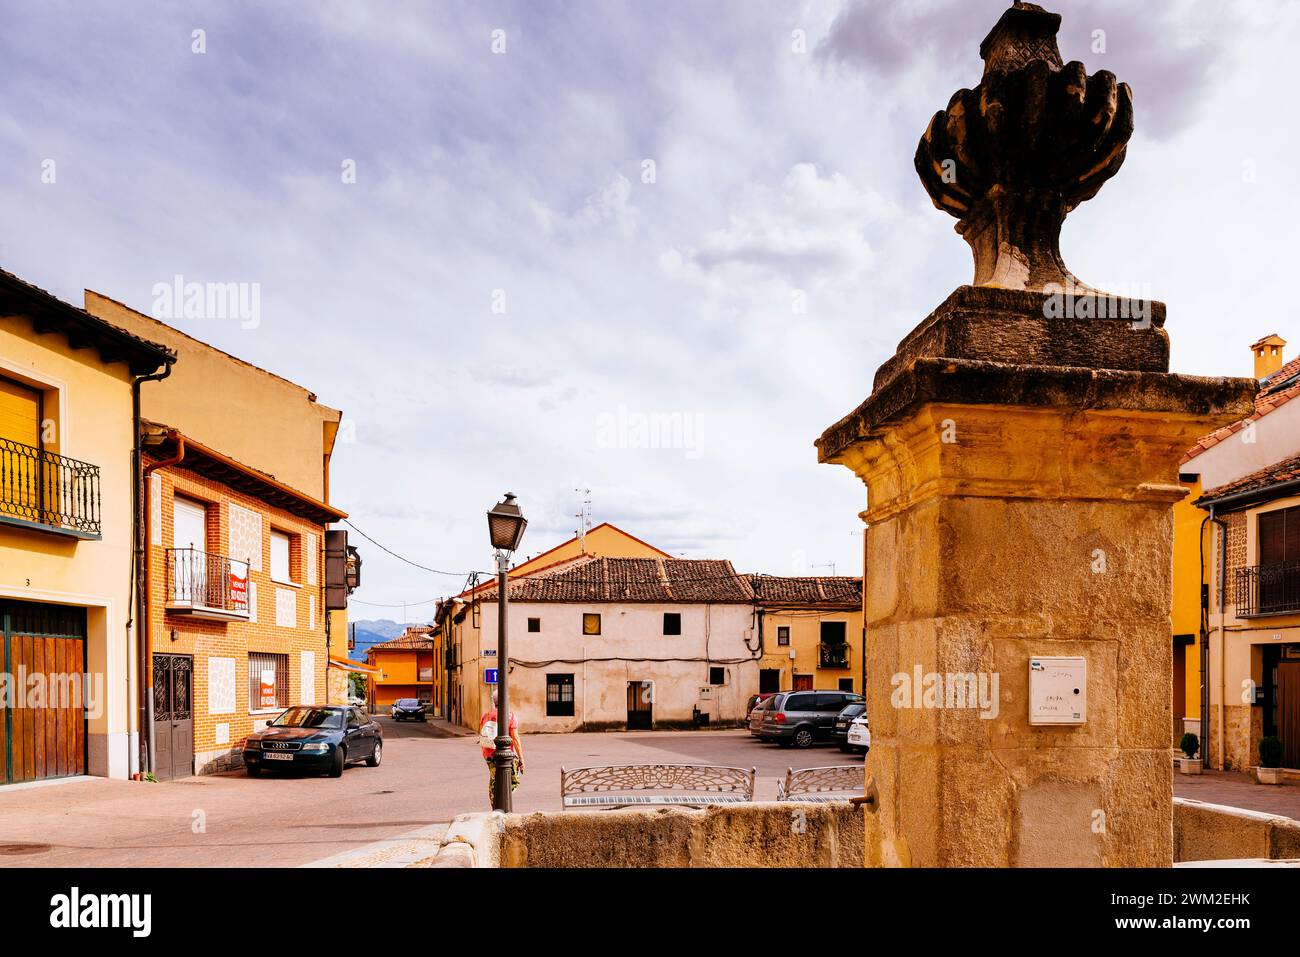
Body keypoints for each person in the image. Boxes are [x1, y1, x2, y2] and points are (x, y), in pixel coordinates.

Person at [479, 688, 523, 805]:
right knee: (513, 780)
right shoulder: (510, 716)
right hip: (507, 754)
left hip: (489, 753)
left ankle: (495, 803)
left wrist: (485, 753)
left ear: (494, 702)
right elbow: (515, 739)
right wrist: (521, 759)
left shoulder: (486, 716)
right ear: (505, 701)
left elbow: (483, 735)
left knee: (494, 778)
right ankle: (502, 803)